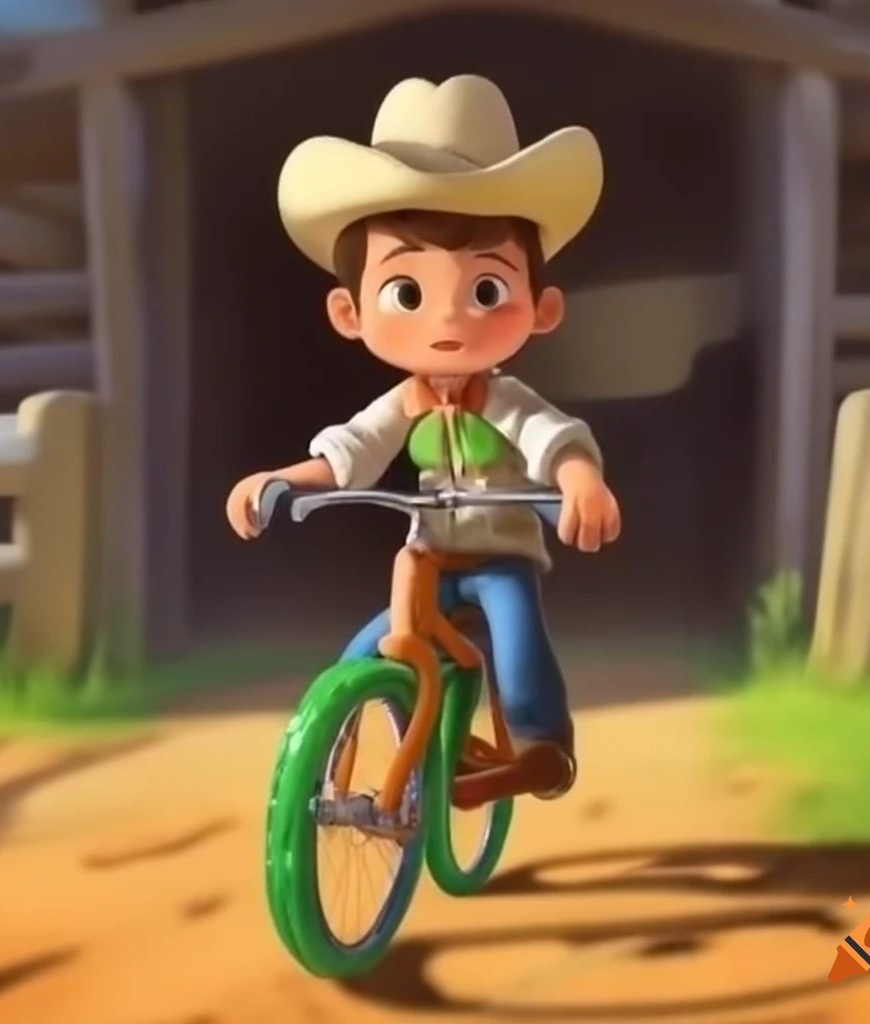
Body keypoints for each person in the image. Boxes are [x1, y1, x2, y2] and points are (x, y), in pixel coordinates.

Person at [225, 74, 620, 806]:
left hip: (499, 555)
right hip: (428, 557)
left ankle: (541, 748)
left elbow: (549, 435)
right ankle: (337, 758)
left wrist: (578, 479)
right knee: (363, 648)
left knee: (517, 638)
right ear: (349, 311)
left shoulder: (504, 398)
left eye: (486, 291)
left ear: (542, 307)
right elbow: (351, 449)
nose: (448, 321)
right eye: (407, 292)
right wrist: (284, 479)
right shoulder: (403, 400)